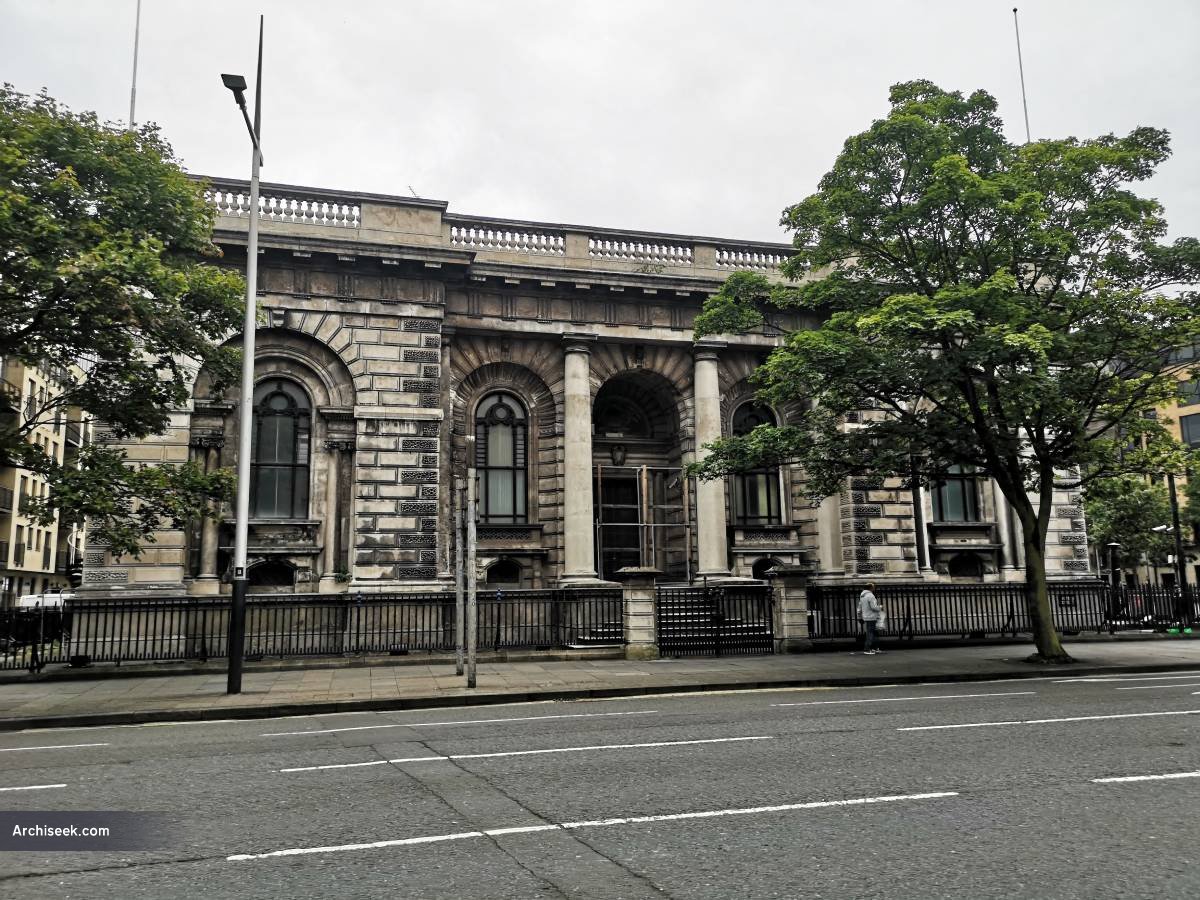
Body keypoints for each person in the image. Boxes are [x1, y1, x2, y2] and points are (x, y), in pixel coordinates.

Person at [858, 583, 884, 655]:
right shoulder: (870, 595)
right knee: (871, 633)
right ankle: (867, 648)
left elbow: (859, 608)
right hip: (872, 617)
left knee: (874, 632)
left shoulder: (862, 596)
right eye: (873, 587)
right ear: (870, 588)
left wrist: (859, 617)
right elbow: (874, 607)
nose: (874, 588)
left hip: (866, 616)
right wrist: (880, 607)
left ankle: (875, 648)